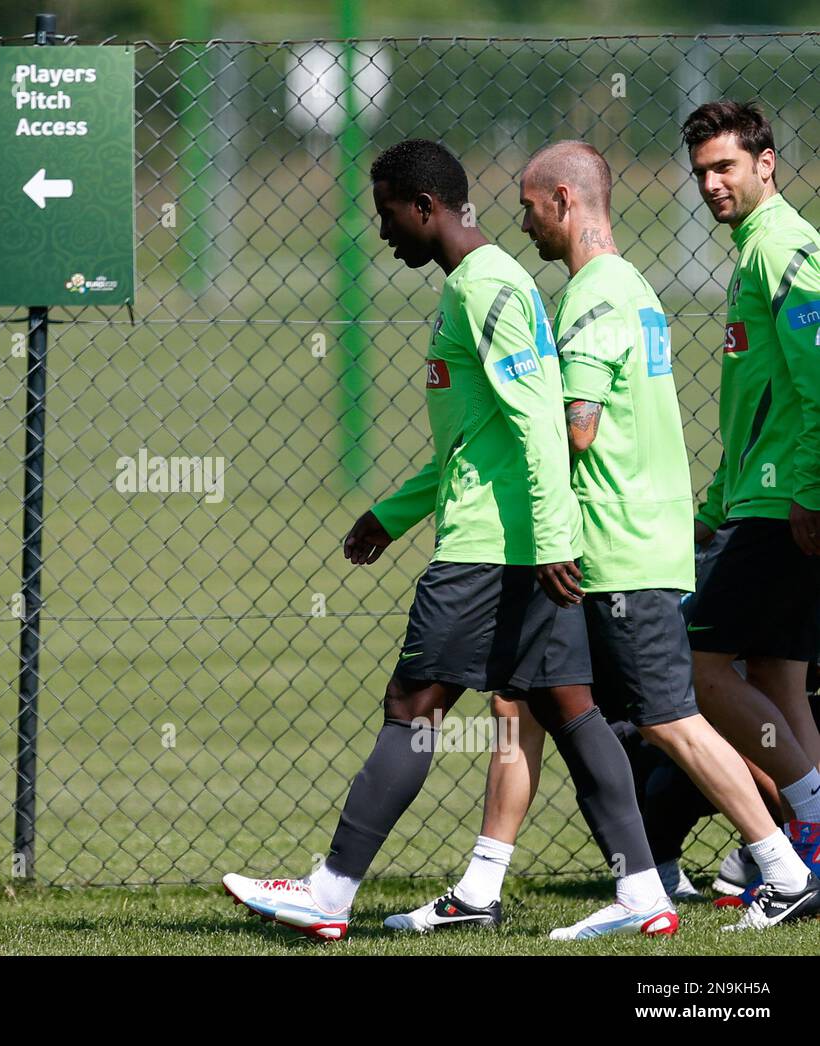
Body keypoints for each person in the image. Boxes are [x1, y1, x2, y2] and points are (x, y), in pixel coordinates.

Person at [221, 139, 675, 941]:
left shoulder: (488, 288)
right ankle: (642, 889)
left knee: (414, 707)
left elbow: (540, 419)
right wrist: (393, 515)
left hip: (494, 549)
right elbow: (476, 441)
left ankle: (328, 896)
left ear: (425, 208)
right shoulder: (475, 284)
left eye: (389, 212)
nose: (383, 230)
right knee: (570, 709)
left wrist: (548, 539)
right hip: (520, 543)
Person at [381, 140, 819, 934]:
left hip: (614, 550)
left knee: (671, 718)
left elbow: (576, 431)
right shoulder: (627, 288)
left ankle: (782, 864)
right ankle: (508, 890)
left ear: (563, 202)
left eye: (527, 206)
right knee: (526, 704)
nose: (521, 223)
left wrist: (505, 420)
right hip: (612, 545)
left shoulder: (594, 294)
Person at [679, 100, 820, 927]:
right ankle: (811, 849)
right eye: (701, 170)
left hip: (783, 502)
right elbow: (753, 403)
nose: (710, 183)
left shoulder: (785, 248)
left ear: (767, 164)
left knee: (698, 669)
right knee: (777, 678)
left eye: (725, 166)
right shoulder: (752, 253)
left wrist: (807, 489)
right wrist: (711, 506)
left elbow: (815, 377)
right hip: (759, 495)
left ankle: (807, 822)